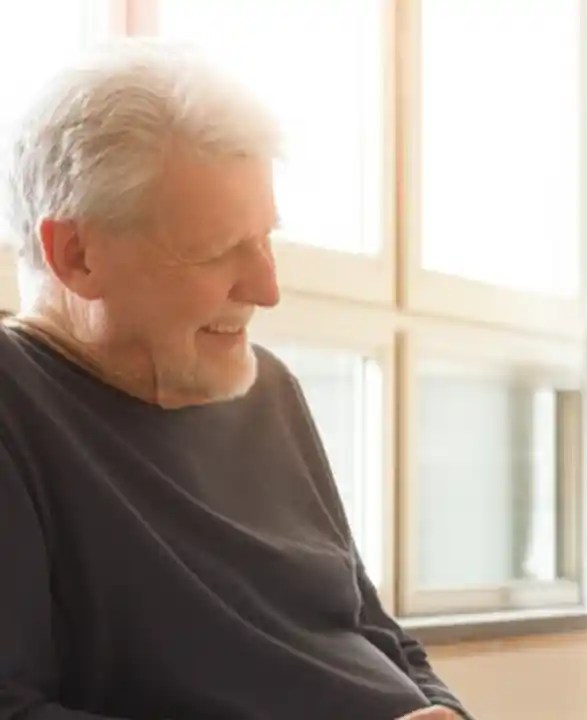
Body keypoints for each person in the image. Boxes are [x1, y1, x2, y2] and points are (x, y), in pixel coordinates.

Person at [0, 41, 468, 719]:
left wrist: (444, 713)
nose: (267, 288)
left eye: (266, 240)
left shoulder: (268, 389)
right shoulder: (16, 405)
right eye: (220, 251)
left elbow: (377, 635)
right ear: (76, 255)